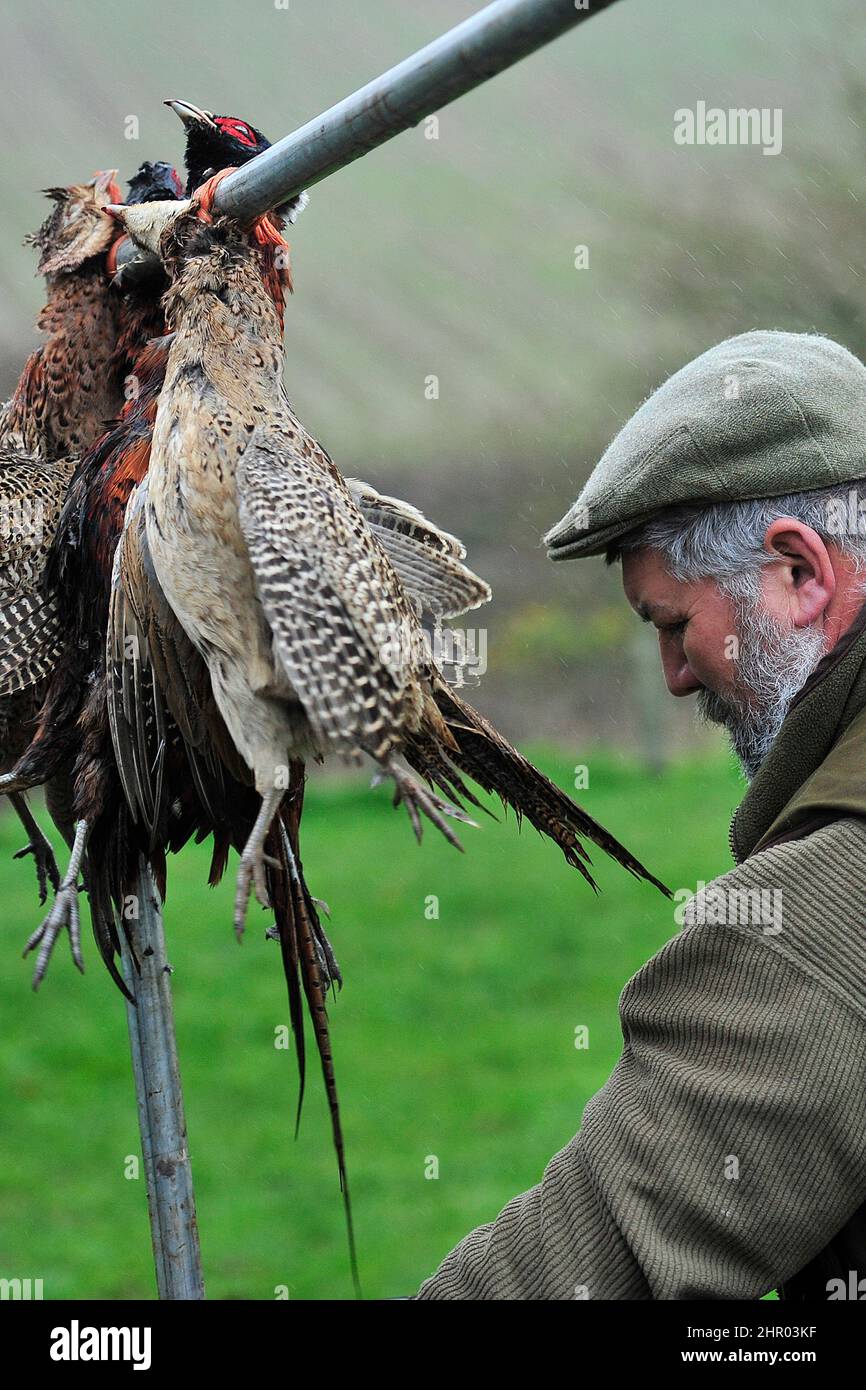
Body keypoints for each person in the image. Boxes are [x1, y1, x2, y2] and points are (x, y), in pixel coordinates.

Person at [414, 331, 866, 1300]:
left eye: (672, 621)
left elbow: (586, 1265)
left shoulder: (830, 899)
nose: (670, 676)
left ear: (798, 572)